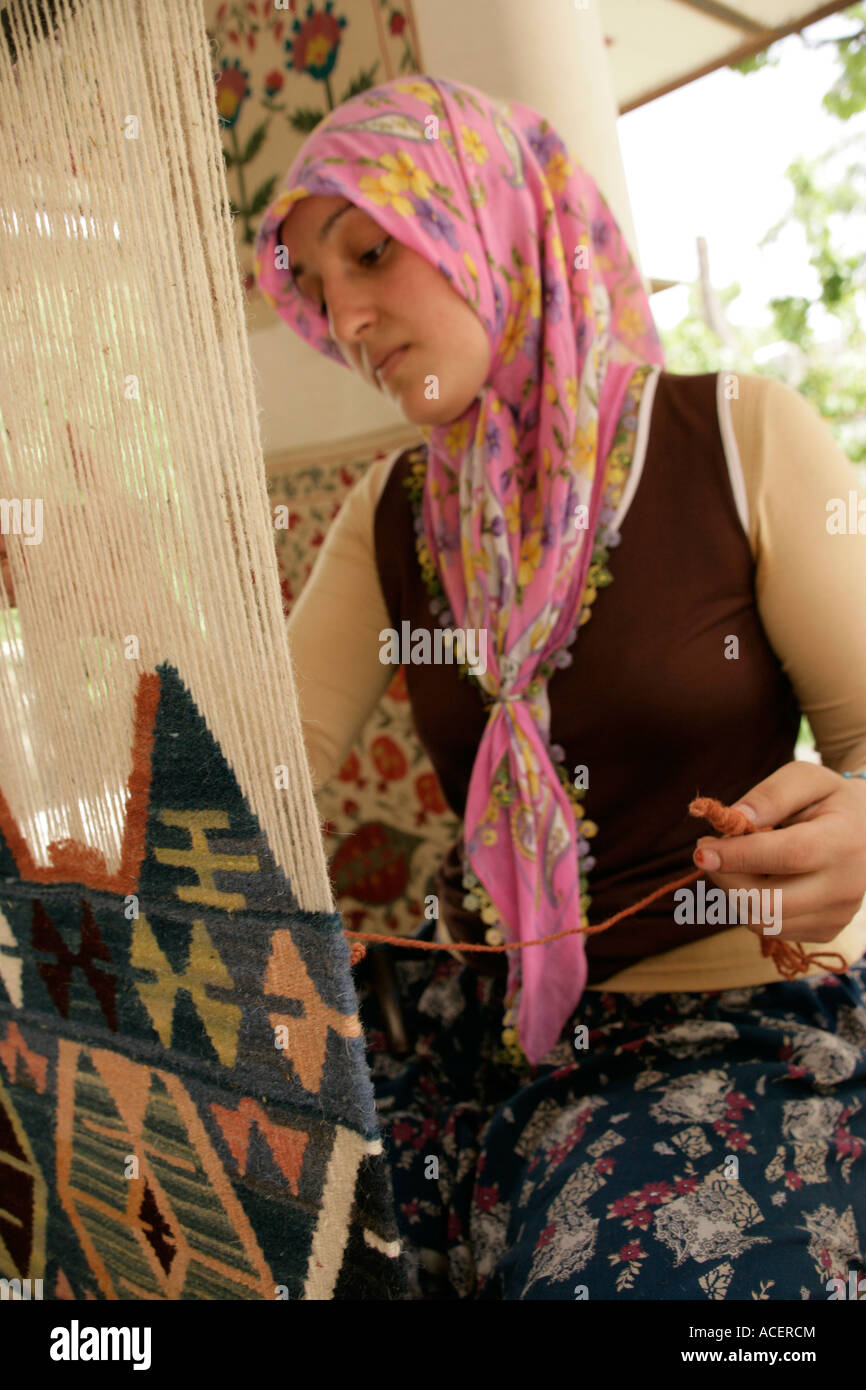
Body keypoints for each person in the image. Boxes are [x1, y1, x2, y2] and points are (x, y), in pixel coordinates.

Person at [254, 75, 866, 1300]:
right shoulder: (394, 517)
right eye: (318, 288)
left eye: (373, 253)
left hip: (715, 1029)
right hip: (459, 1030)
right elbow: (257, 756)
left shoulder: (735, 440)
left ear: (493, 219)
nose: (348, 317)